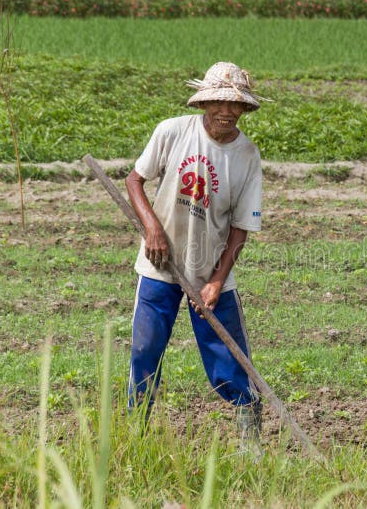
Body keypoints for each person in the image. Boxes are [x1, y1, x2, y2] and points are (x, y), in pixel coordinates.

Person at [125, 61, 264, 455]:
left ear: (245, 110)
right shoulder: (172, 131)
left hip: (210, 271)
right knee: (144, 351)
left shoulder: (247, 156)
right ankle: (135, 434)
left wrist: (217, 281)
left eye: (234, 105)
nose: (225, 111)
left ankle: (249, 436)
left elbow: (240, 228)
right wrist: (152, 228)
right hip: (159, 265)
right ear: (204, 102)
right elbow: (135, 180)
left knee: (228, 360)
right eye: (218, 101)